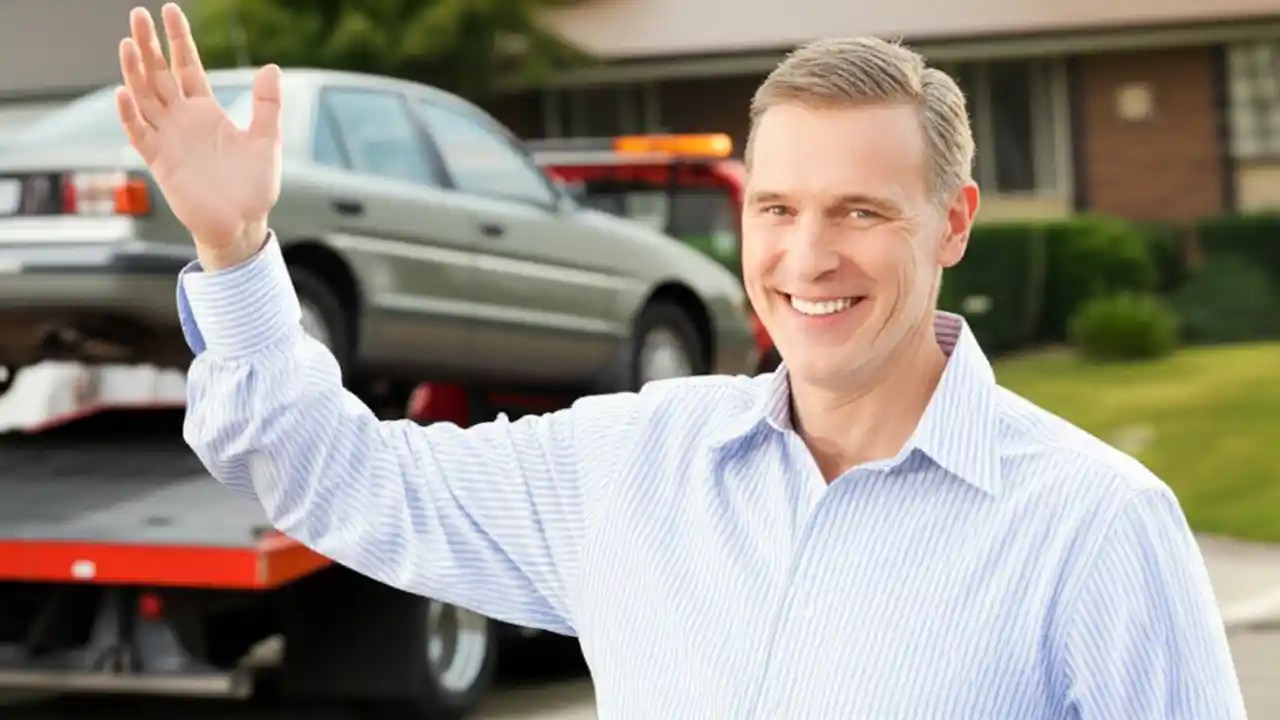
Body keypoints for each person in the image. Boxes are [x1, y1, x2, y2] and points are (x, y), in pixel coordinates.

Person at [116, 3, 1247, 717]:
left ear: (951, 224)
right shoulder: (629, 466)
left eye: (859, 211)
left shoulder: (1093, 524)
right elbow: (331, 475)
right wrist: (235, 246)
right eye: (778, 208)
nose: (807, 257)